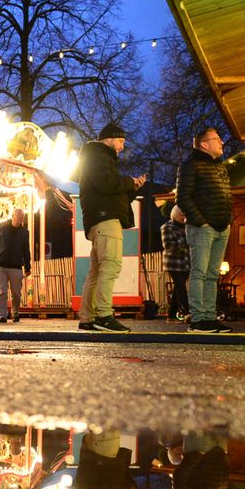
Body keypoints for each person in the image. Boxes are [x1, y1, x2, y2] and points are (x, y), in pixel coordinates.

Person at [77, 123, 145, 333]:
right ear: (108, 139)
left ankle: (87, 317)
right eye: (121, 141)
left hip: (99, 219)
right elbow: (106, 184)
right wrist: (129, 181)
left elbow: (109, 189)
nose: (122, 147)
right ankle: (104, 316)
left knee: (96, 272)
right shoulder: (98, 157)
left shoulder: (96, 157)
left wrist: (132, 187)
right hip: (105, 220)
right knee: (111, 266)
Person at [176, 128, 234, 333]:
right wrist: (201, 222)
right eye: (217, 139)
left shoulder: (220, 167)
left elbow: (226, 195)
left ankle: (209, 317)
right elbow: (182, 197)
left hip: (221, 227)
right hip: (203, 228)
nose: (222, 143)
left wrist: (228, 220)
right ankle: (198, 319)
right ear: (204, 144)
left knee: (212, 275)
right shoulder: (190, 165)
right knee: (199, 272)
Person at [0, 208, 31, 323]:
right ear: (13, 216)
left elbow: (26, 250)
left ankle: (15, 312)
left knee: (16, 292)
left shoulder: (25, 233)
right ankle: (2, 315)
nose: (21, 219)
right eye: (19, 216)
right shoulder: (2, 229)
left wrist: (27, 267)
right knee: (2, 291)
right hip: (1, 265)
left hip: (16, 266)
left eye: (22, 217)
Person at [161, 205, 191, 322]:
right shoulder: (167, 227)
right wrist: (187, 246)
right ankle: (188, 312)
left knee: (178, 288)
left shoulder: (186, 227)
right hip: (173, 262)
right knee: (180, 287)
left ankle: (171, 315)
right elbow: (169, 246)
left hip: (185, 262)